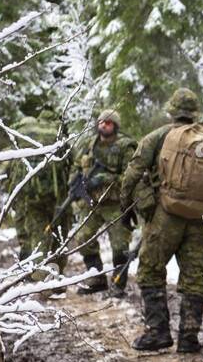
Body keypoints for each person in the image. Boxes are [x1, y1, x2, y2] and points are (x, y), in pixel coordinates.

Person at [123, 88, 203, 353]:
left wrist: (126, 207)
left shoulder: (158, 136)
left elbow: (132, 173)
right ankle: (189, 336)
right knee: (194, 276)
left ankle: (158, 332)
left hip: (166, 215)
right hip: (201, 216)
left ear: (171, 110)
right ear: (196, 112)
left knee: (150, 269)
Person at [73, 108, 139, 296]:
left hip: (116, 205)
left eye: (108, 123)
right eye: (101, 122)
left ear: (115, 126)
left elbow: (132, 176)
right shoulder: (88, 145)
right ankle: (96, 279)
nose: (104, 125)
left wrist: (105, 178)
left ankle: (118, 284)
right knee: (83, 239)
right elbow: (77, 167)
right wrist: (77, 185)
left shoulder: (126, 146)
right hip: (92, 203)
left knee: (119, 246)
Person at [9, 109, 70, 283]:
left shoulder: (26, 129)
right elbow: (70, 160)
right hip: (58, 196)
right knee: (60, 236)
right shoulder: (59, 131)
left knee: (38, 236)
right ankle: (56, 279)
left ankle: (38, 279)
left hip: (30, 194)